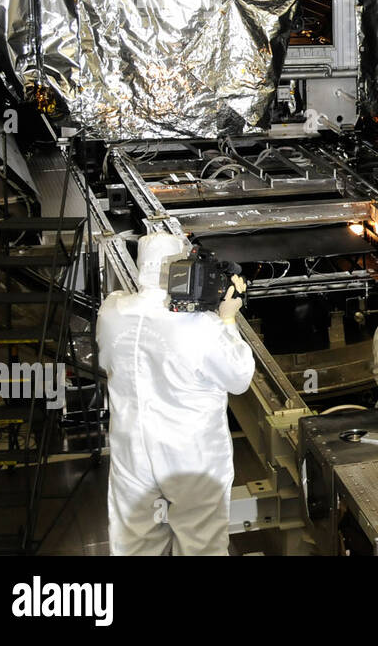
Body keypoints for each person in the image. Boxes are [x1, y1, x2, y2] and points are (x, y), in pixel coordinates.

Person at [97, 233, 255, 556]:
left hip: (132, 455)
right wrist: (227, 319)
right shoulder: (199, 325)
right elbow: (240, 376)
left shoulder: (111, 313)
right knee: (201, 545)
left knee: (134, 545)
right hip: (190, 458)